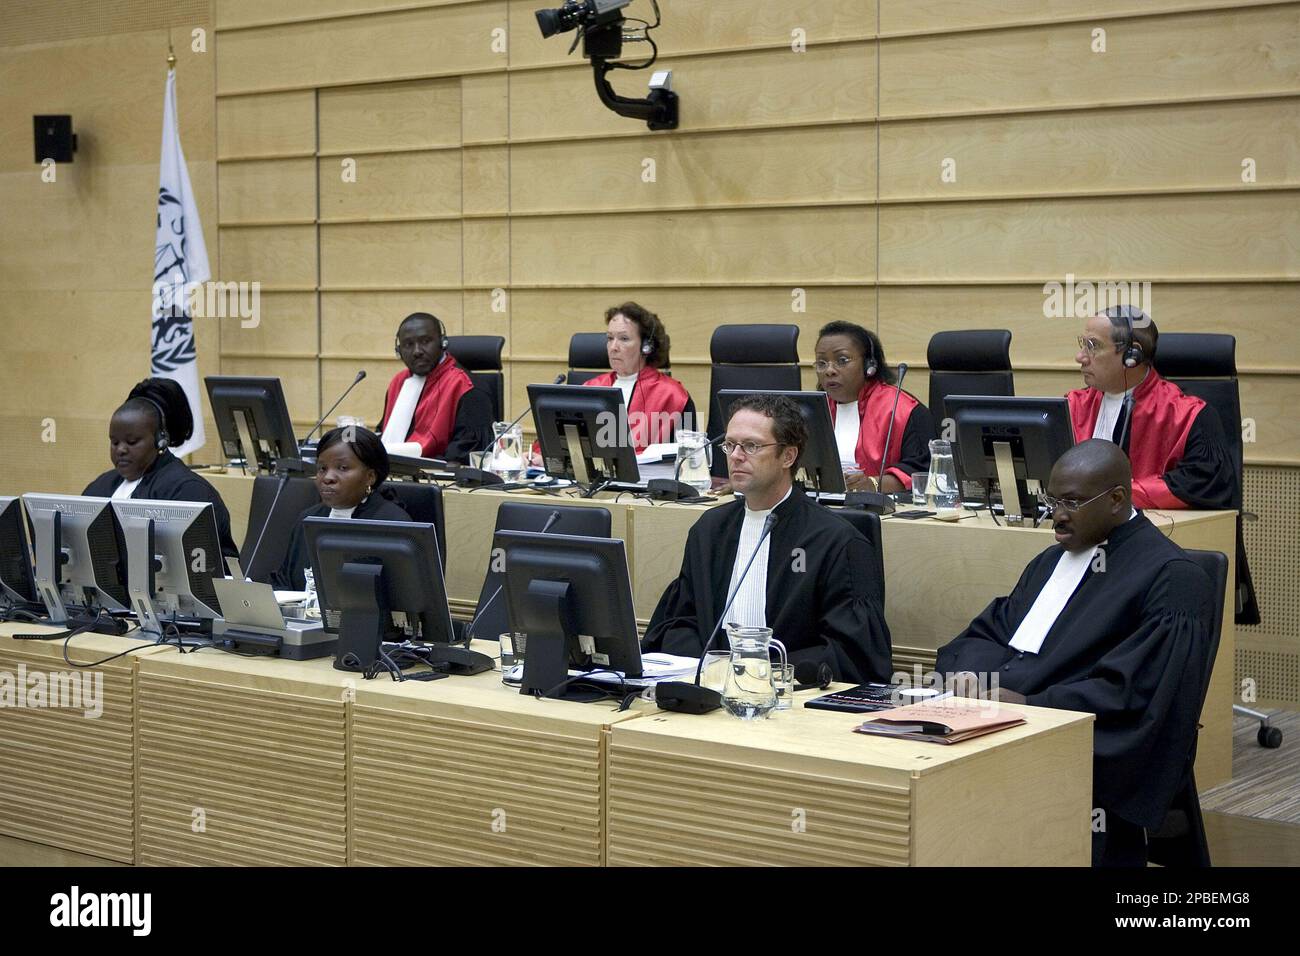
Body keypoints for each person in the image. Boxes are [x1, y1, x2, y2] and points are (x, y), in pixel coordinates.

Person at [936, 440, 1215, 867]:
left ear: (1118, 499)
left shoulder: (1172, 578)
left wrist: (1029, 705)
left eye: (1072, 502)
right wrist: (973, 677)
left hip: (1074, 749)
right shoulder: (1051, 561)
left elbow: (1134, 696)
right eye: (1051, 500)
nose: (1057, 515)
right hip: (999, 723)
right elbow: (987, 633)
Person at [643, 393, 892, 682]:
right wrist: (713, 667)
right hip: (711, 693)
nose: (735, 456)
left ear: (788, 456)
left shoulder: (837, 542)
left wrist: (765, 672)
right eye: (730, 445)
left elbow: (852, 654)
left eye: (751, 446)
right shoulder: (709, 530)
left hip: (793, 702)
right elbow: (680, 622)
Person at [1068, 304, 1257, 622]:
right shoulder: (1072, 406)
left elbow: (1206, 484)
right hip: (1081, 551)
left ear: (1132, 355)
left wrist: (1115, 496)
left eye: (1093, 346)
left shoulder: (1190, 413)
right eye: (1082, 344)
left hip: (1157, 562)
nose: (1080, 357)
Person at [84, 378, 238, 559]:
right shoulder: (101, 486)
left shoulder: (188, 490)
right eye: (114, 442)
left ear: (161, 440)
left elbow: (203, 566)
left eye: (132, 442)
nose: (121, 450)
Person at [273, 426, 411, 590]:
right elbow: (284, 584)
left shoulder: (392, 525)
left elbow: (402, 597)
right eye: (322, 469)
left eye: (343, 468)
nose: (328, 477)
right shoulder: (308, 518)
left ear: (370, 477)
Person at [815, 321, 932, 493]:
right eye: (822, 363)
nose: (829, 370)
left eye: (842, 360)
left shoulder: (902, 410)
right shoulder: (814, 410)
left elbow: (923, 472)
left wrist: (874, 484)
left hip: (884, 513)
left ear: (869, 365)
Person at [377, 312, 493, 463]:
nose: (417, 351)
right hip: (393, 473)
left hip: (439, 479)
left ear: (443, 343)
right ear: (399, 352)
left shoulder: (467, 386)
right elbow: (384, 434)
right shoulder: (398, 382)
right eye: (408, 344)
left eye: (425, 341)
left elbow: (468, 453)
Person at [582, 302, 695, 453]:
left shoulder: (673, 395)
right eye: (610, 338)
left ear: (646, 346)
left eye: (623, 339)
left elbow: (691, 457)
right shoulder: (590, 387)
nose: (613, 347)